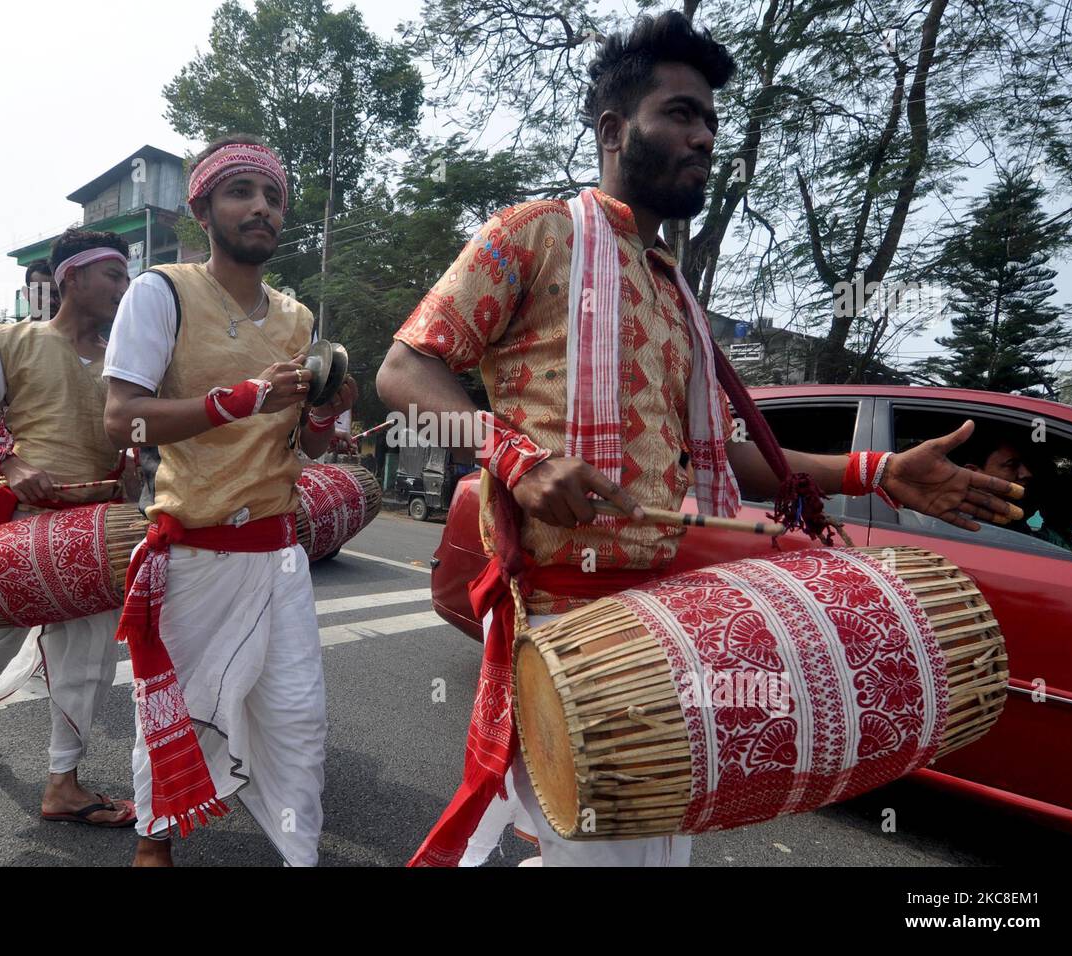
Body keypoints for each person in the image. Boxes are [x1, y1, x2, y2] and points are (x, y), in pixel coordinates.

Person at [376, 11, 1025, 868]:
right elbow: (402, 369)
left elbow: (729, 459)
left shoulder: (678, 294)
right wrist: (515, 457)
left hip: (672, 627)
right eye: (681, 113)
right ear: (613, 130)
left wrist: (876, 471)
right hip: (568, 630)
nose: (705, 136)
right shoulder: (531, 236)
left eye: (711, 120)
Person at [104, 133, 356, 866]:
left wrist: (320, 414)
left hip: (279, 555)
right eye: (241, 193)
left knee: (298, 719)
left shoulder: (299, 320)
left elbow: (304, 449)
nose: (261, 209)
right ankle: (155, 842)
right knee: (178, 708)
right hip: (195, 552)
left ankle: (297, 849)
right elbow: (124, 418)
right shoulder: (163, 291)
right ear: (205, 210)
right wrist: (238, 398)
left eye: (273, 197)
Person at [0, 228, 136, 825]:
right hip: (22, 524)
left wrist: (130, 462)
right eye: (114, 276)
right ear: (73, 277)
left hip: (95, 531)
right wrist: (9, 462)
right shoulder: (6, 341)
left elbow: (139, 432)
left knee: (91, 660)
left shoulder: (127, 362)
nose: (123, 289)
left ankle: (63, 784)